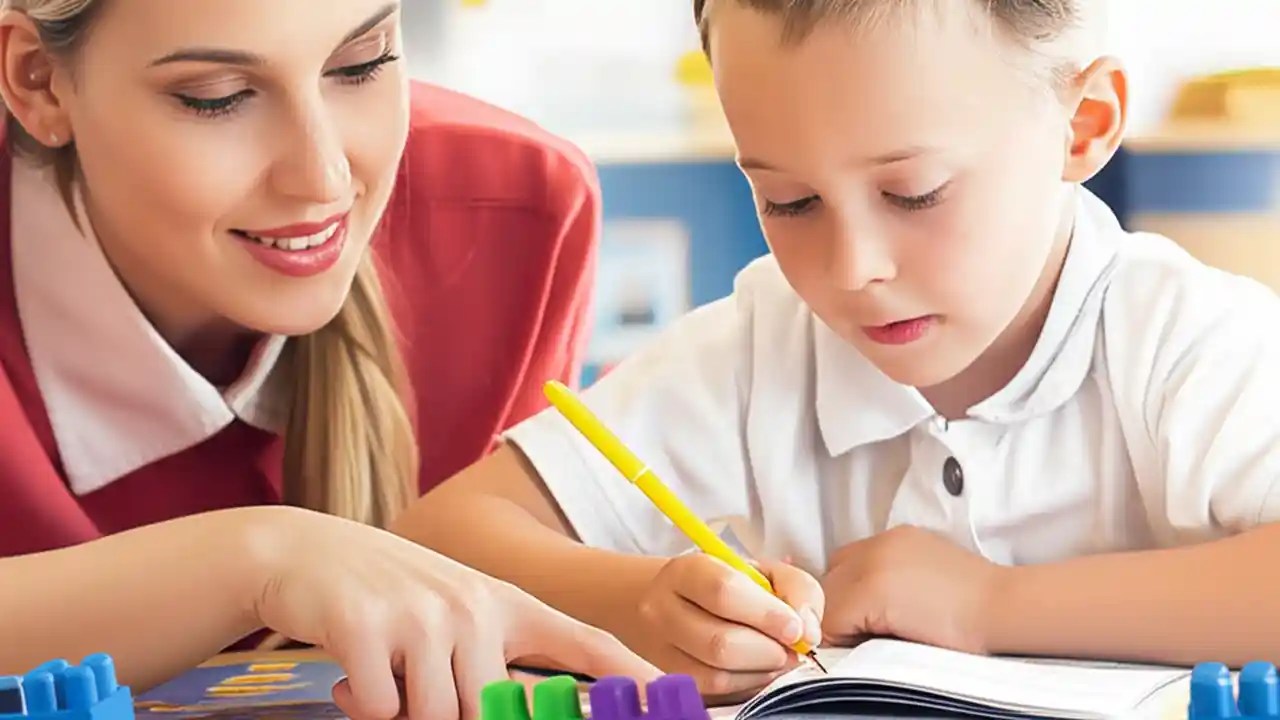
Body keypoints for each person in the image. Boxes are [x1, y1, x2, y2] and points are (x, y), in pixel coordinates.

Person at [404, 0, 1280, 704]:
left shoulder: (1185, 339)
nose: (853, 268)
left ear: (1081, 126)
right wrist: (639, 601)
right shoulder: (756, 348)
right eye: (789, 202)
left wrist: (988, 605)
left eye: (915, 192)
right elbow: (437, 542)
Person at [0, 0, 657, 717]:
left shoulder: (516, 205)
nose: (322, 179)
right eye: (217, 97)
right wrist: (258, 560)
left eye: (362, 62)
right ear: (38, 80)